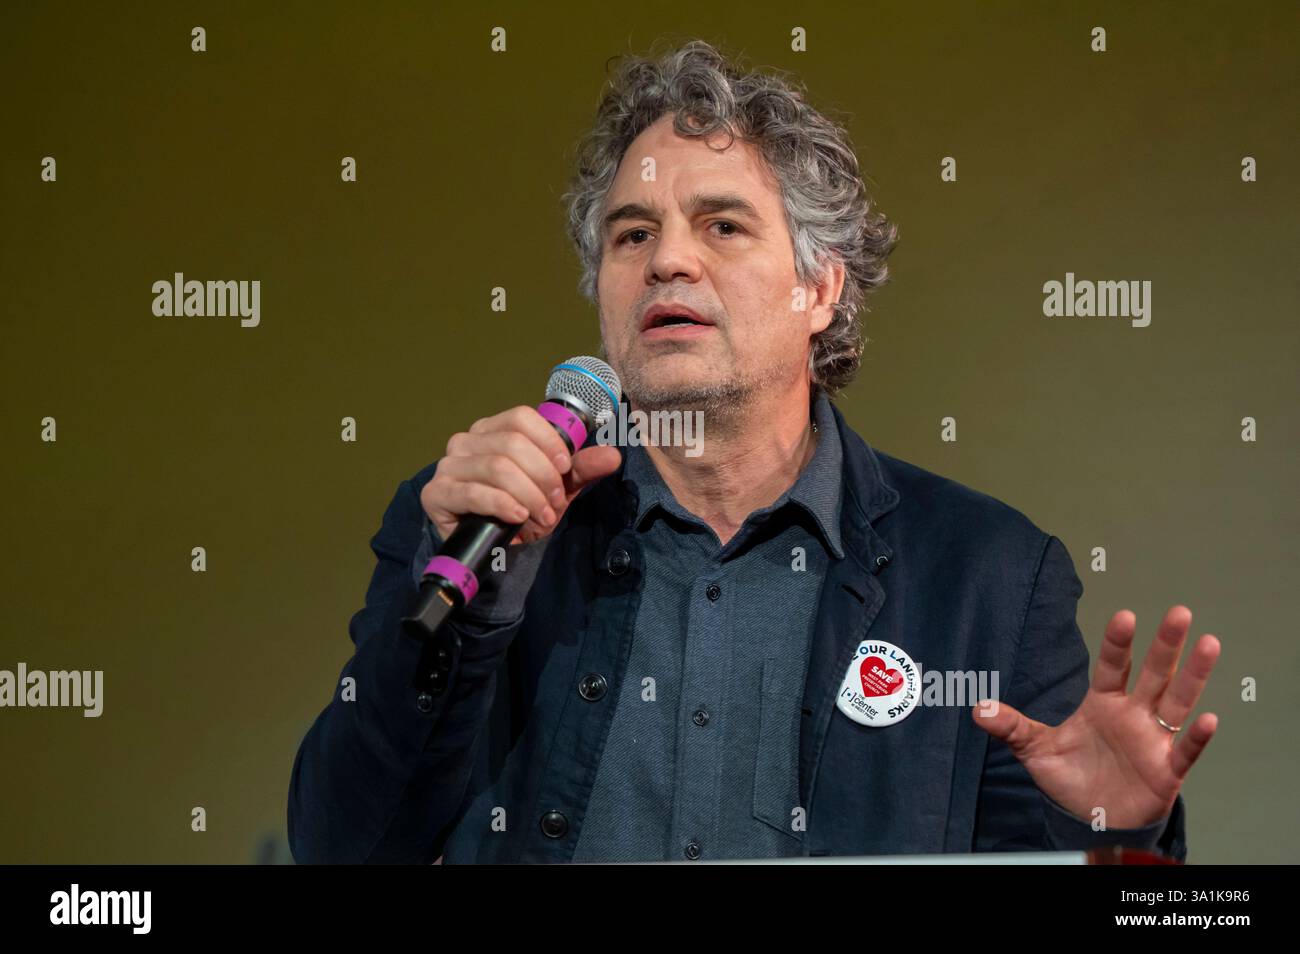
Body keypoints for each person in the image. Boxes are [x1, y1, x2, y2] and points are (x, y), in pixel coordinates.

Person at [287, 40, 1220, 864]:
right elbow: (345, 846)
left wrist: (1112, 830)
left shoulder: (991, 577)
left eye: (722, 226)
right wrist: (473, 616)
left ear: (820, 290)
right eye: (632, 235)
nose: (666, 262)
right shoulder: (467, 523)